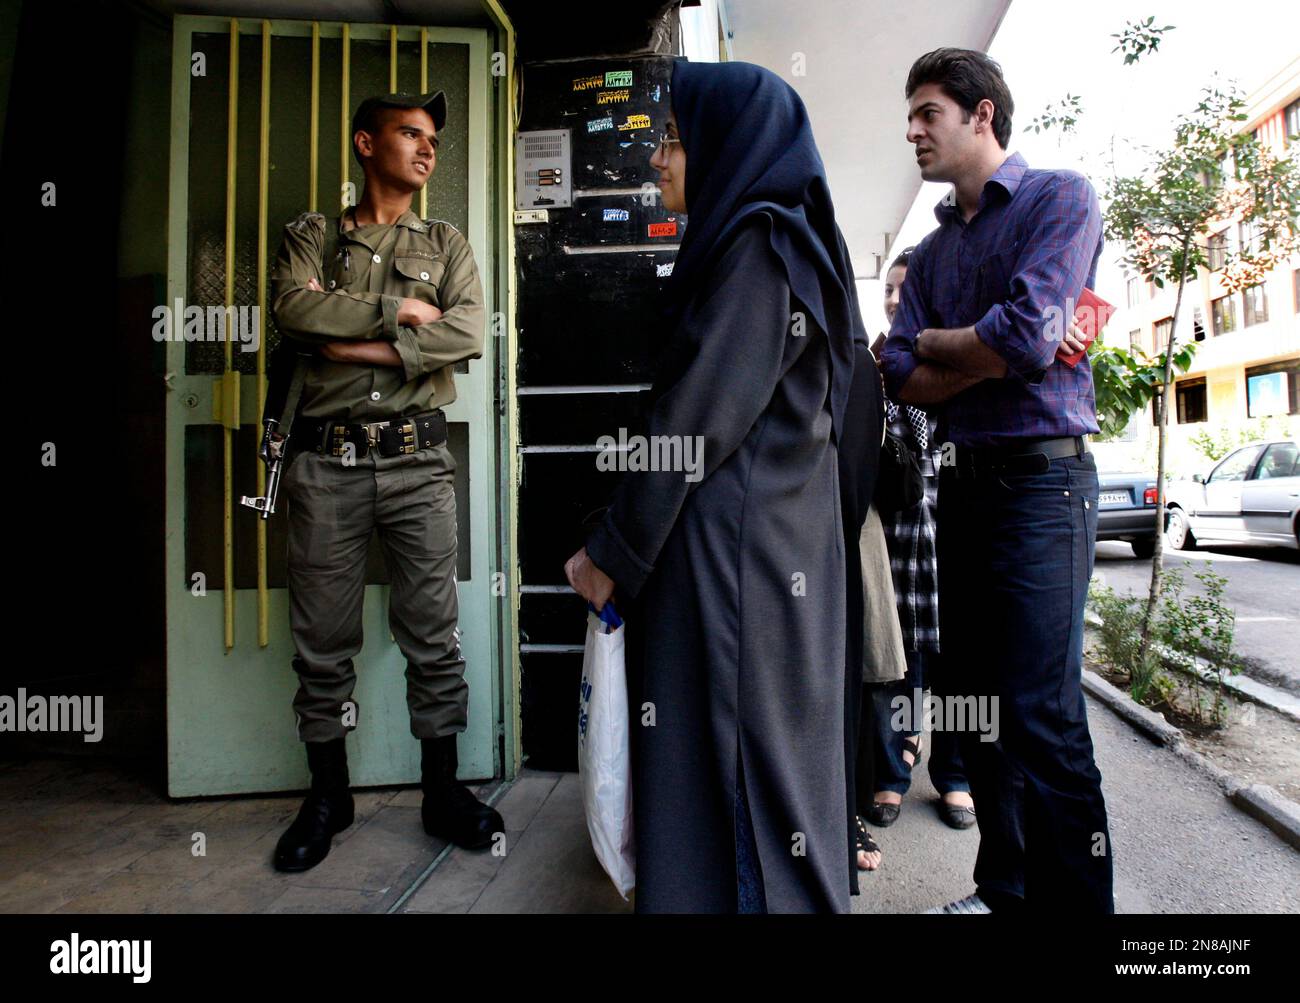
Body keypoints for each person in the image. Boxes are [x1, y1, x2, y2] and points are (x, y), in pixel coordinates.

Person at [564, 59, 863, 913]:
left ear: (725, 148)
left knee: (742, 784)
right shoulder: (771, 243)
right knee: (743, 779)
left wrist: (610, 556)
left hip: (740, 575)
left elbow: (692, 425)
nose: (658, 158)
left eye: (674, 140)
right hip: (758, 560)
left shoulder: (760, 249)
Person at [881, 48, 1113, 914]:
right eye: (909, 115)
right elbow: (899, 369)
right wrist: (993, 346)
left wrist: (958, 342)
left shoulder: (1061, 196)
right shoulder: (933, 250)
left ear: (982, 116)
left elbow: (1035, 332)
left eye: (928, 112)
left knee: (1044, 720)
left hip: (1044, 489)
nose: (912, 129)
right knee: (975, 707)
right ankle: (1005, 890)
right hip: (963, 489)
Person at [267, 90, 503, 872]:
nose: (427, 148)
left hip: (416, 464)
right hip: (325, 464)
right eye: (410, 134)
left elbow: (468, 328)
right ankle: (329, 796)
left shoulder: (446, 239)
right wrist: (396, 313)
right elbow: (295, 312)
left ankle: (441, 791)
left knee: (435, 637)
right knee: (322, 644)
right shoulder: (311, 235)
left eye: (432, 137)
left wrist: (362, 343)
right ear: (366, 144)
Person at [867, 248, 976, 832]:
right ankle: (890, 773)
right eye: (887, 289)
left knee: (956, 662)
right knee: (896, 659)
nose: (892, 298)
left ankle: (955, 777)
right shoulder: (876, 367)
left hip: (952, 528)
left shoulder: (955, 365)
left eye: (904, 289)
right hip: (895, 534)